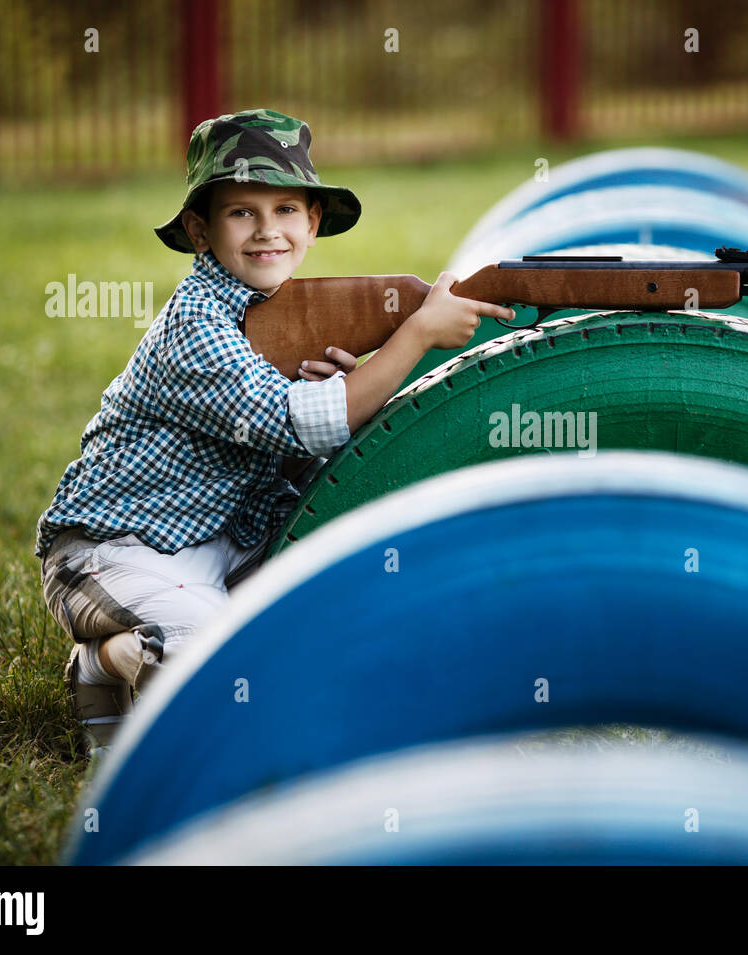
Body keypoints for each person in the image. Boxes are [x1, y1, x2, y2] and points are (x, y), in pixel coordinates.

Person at [34, 108, 513, 755]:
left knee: (330, 599)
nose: (268, 231)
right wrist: (417, 335)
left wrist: (346, 386)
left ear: (313, 224)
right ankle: (113, 669)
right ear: (201, 230)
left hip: (223, 548)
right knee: (201, 651)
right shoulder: (197, 326)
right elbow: (298, 420)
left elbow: (289, 448)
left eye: (287, 209)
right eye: (242, 212)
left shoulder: (274, 316)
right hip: (109, 552)